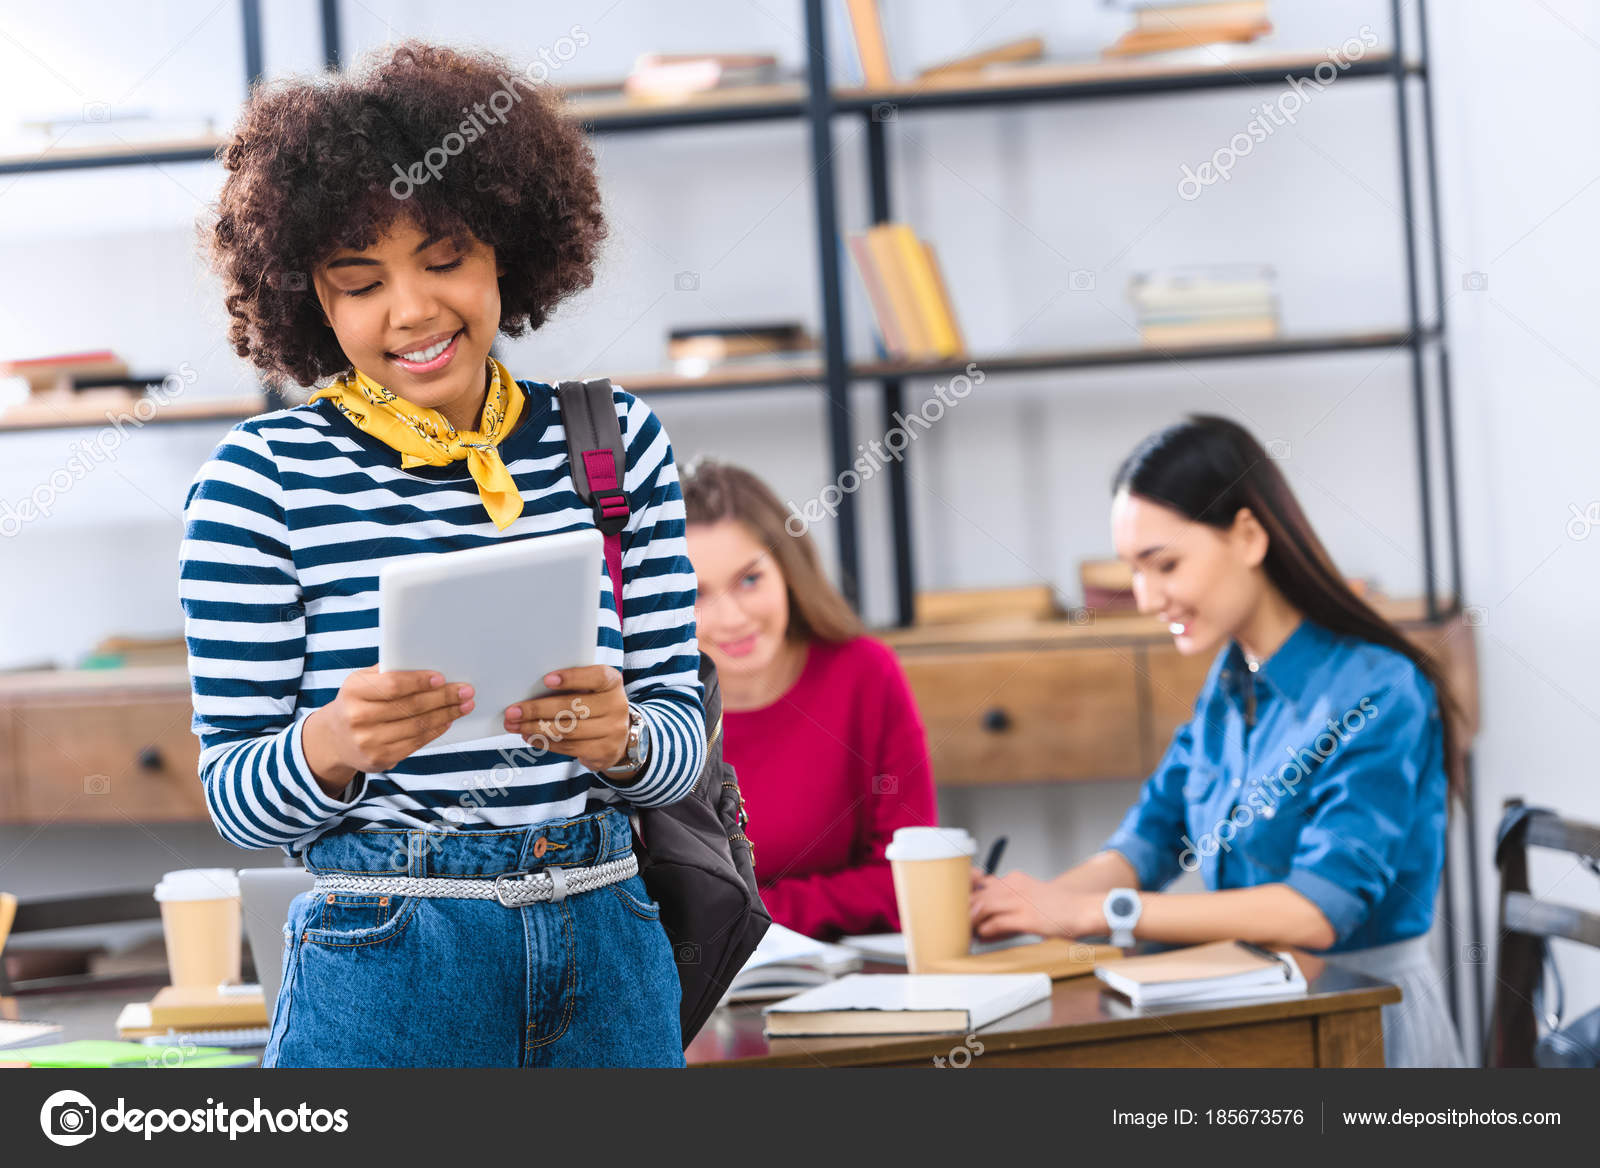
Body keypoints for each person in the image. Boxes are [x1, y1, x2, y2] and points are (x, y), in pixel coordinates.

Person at [181, 41, 704, 1067]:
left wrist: (622, 740)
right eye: (359, 280)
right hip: (389, 955)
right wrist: (334, 743)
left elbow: (681, 741)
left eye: (445, 257)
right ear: (310, 299)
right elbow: (235, 799)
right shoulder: (259, 482)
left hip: (607, 940)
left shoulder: (615, 441)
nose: (413, 310)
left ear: (507, 249)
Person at [969, 414, 1465, 1067]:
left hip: (1364, 1027)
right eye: (1133, 573)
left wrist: (1097, 912)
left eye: (1165, 564)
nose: (1147, 597)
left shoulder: (1379, 690)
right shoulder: (1231, 682)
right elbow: (1149, 840)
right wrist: (1029, 905)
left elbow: (1314, 913)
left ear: (1250, 536)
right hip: (1257, 1021)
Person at [681, 459, 937, 940]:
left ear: (789, 571)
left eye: (749, 580)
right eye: (696, 595)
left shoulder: (865, 674)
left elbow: (907, 877)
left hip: (849, 979)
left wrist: (751, 918)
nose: (731, 618)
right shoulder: (647, 713)